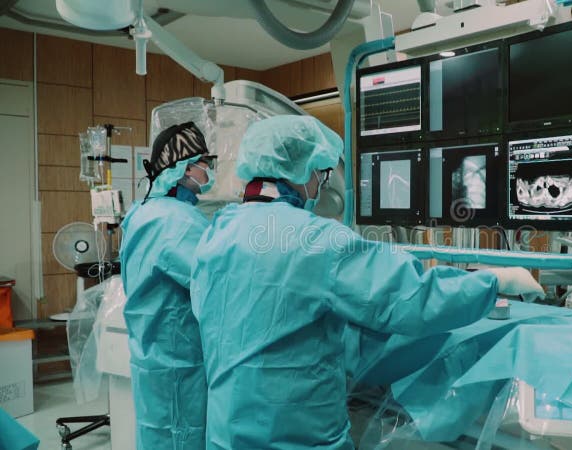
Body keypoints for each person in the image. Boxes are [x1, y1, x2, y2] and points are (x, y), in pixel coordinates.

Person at [190, 115, 543, 449]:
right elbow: (411, 297)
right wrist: (492, 281)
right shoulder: (315, 240)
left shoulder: (218, 231)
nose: (319, 185)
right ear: (302, 170)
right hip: (294, 437)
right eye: (321, 174)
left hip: (226, 433)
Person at [120, 122, 215, 449]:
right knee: (181, 437)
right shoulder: (176, 222)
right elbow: (214, 284)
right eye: (205, 164)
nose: (208, 172)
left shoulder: (142, 212)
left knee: (157, 435)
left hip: (151, 357)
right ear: (184, 168)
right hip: (179, 364)